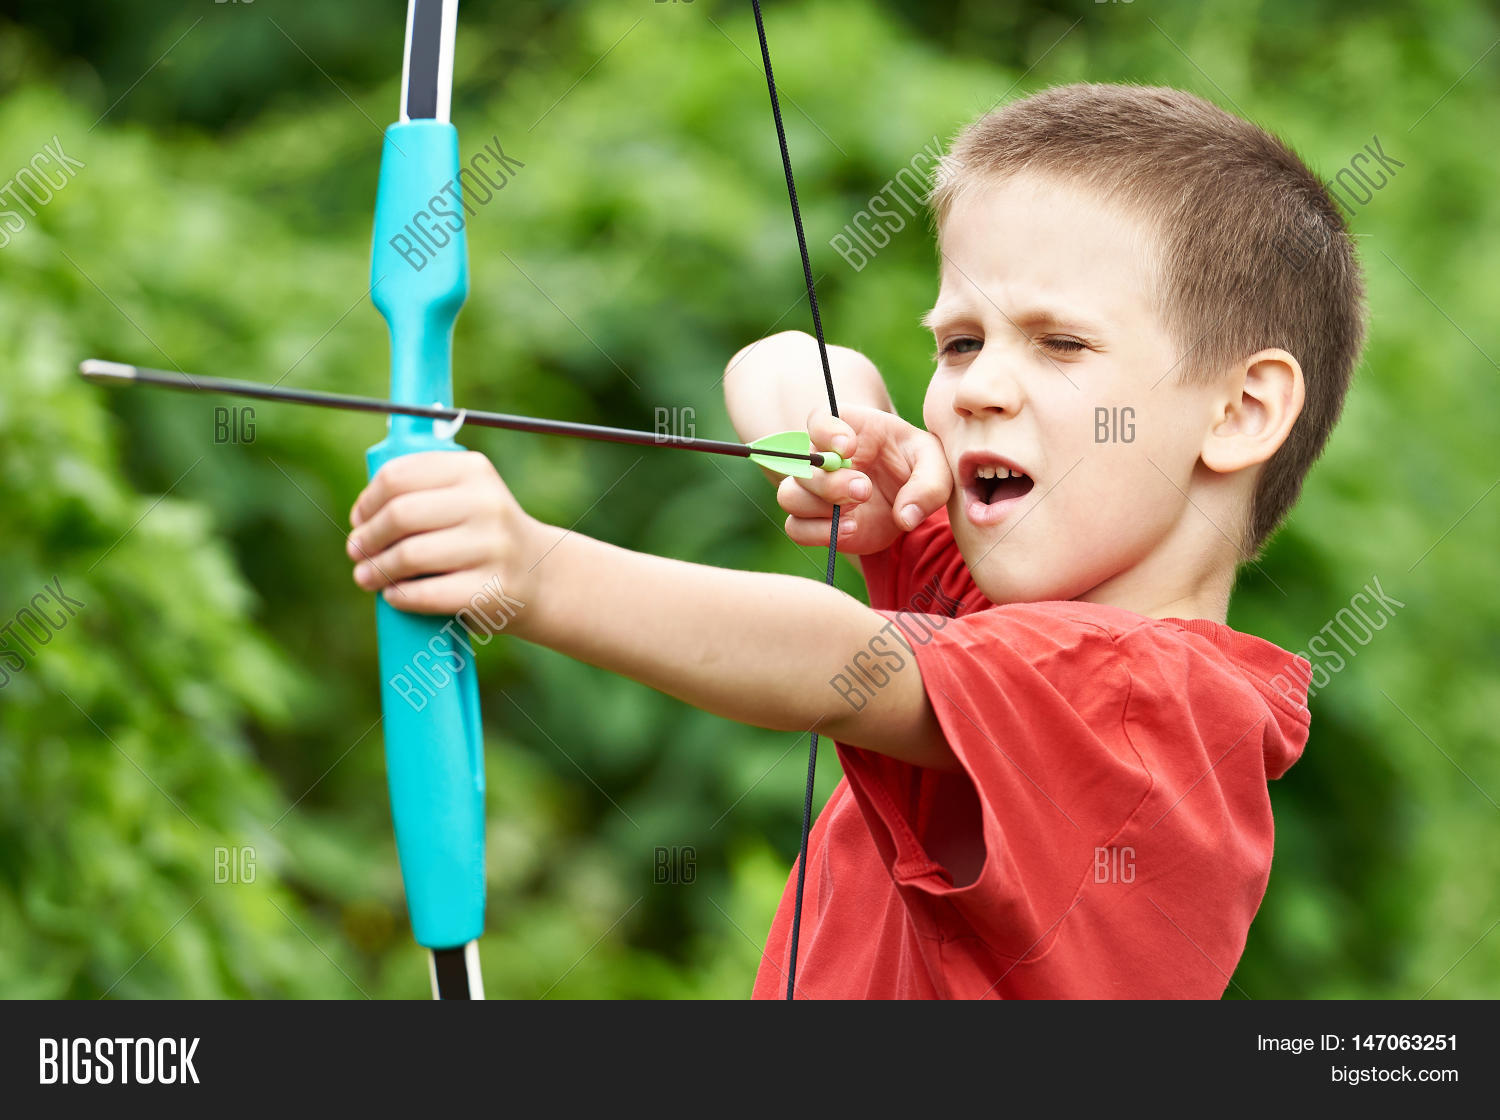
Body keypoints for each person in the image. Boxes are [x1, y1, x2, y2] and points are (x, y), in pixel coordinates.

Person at [345, 83, 1366, 998]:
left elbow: (841, 658)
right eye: (960, 341)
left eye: (1060, 343)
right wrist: (836, 442)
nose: (977, 385)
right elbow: (788, 357)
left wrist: (538, 569)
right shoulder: (1000, 608)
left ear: (1240, 411)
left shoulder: (1149, 707)